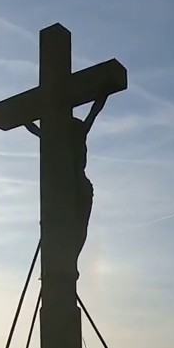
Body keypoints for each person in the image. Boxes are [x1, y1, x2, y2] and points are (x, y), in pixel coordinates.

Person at [26, 96, 106, 278]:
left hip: (74, 186)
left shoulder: (70, 134)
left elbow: (94, 112)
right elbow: (94, 112)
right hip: (63, 188)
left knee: (76, 228)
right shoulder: (64, 136)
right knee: (67, 228)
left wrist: (103, 93)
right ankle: (63, 266)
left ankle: (68, 264)